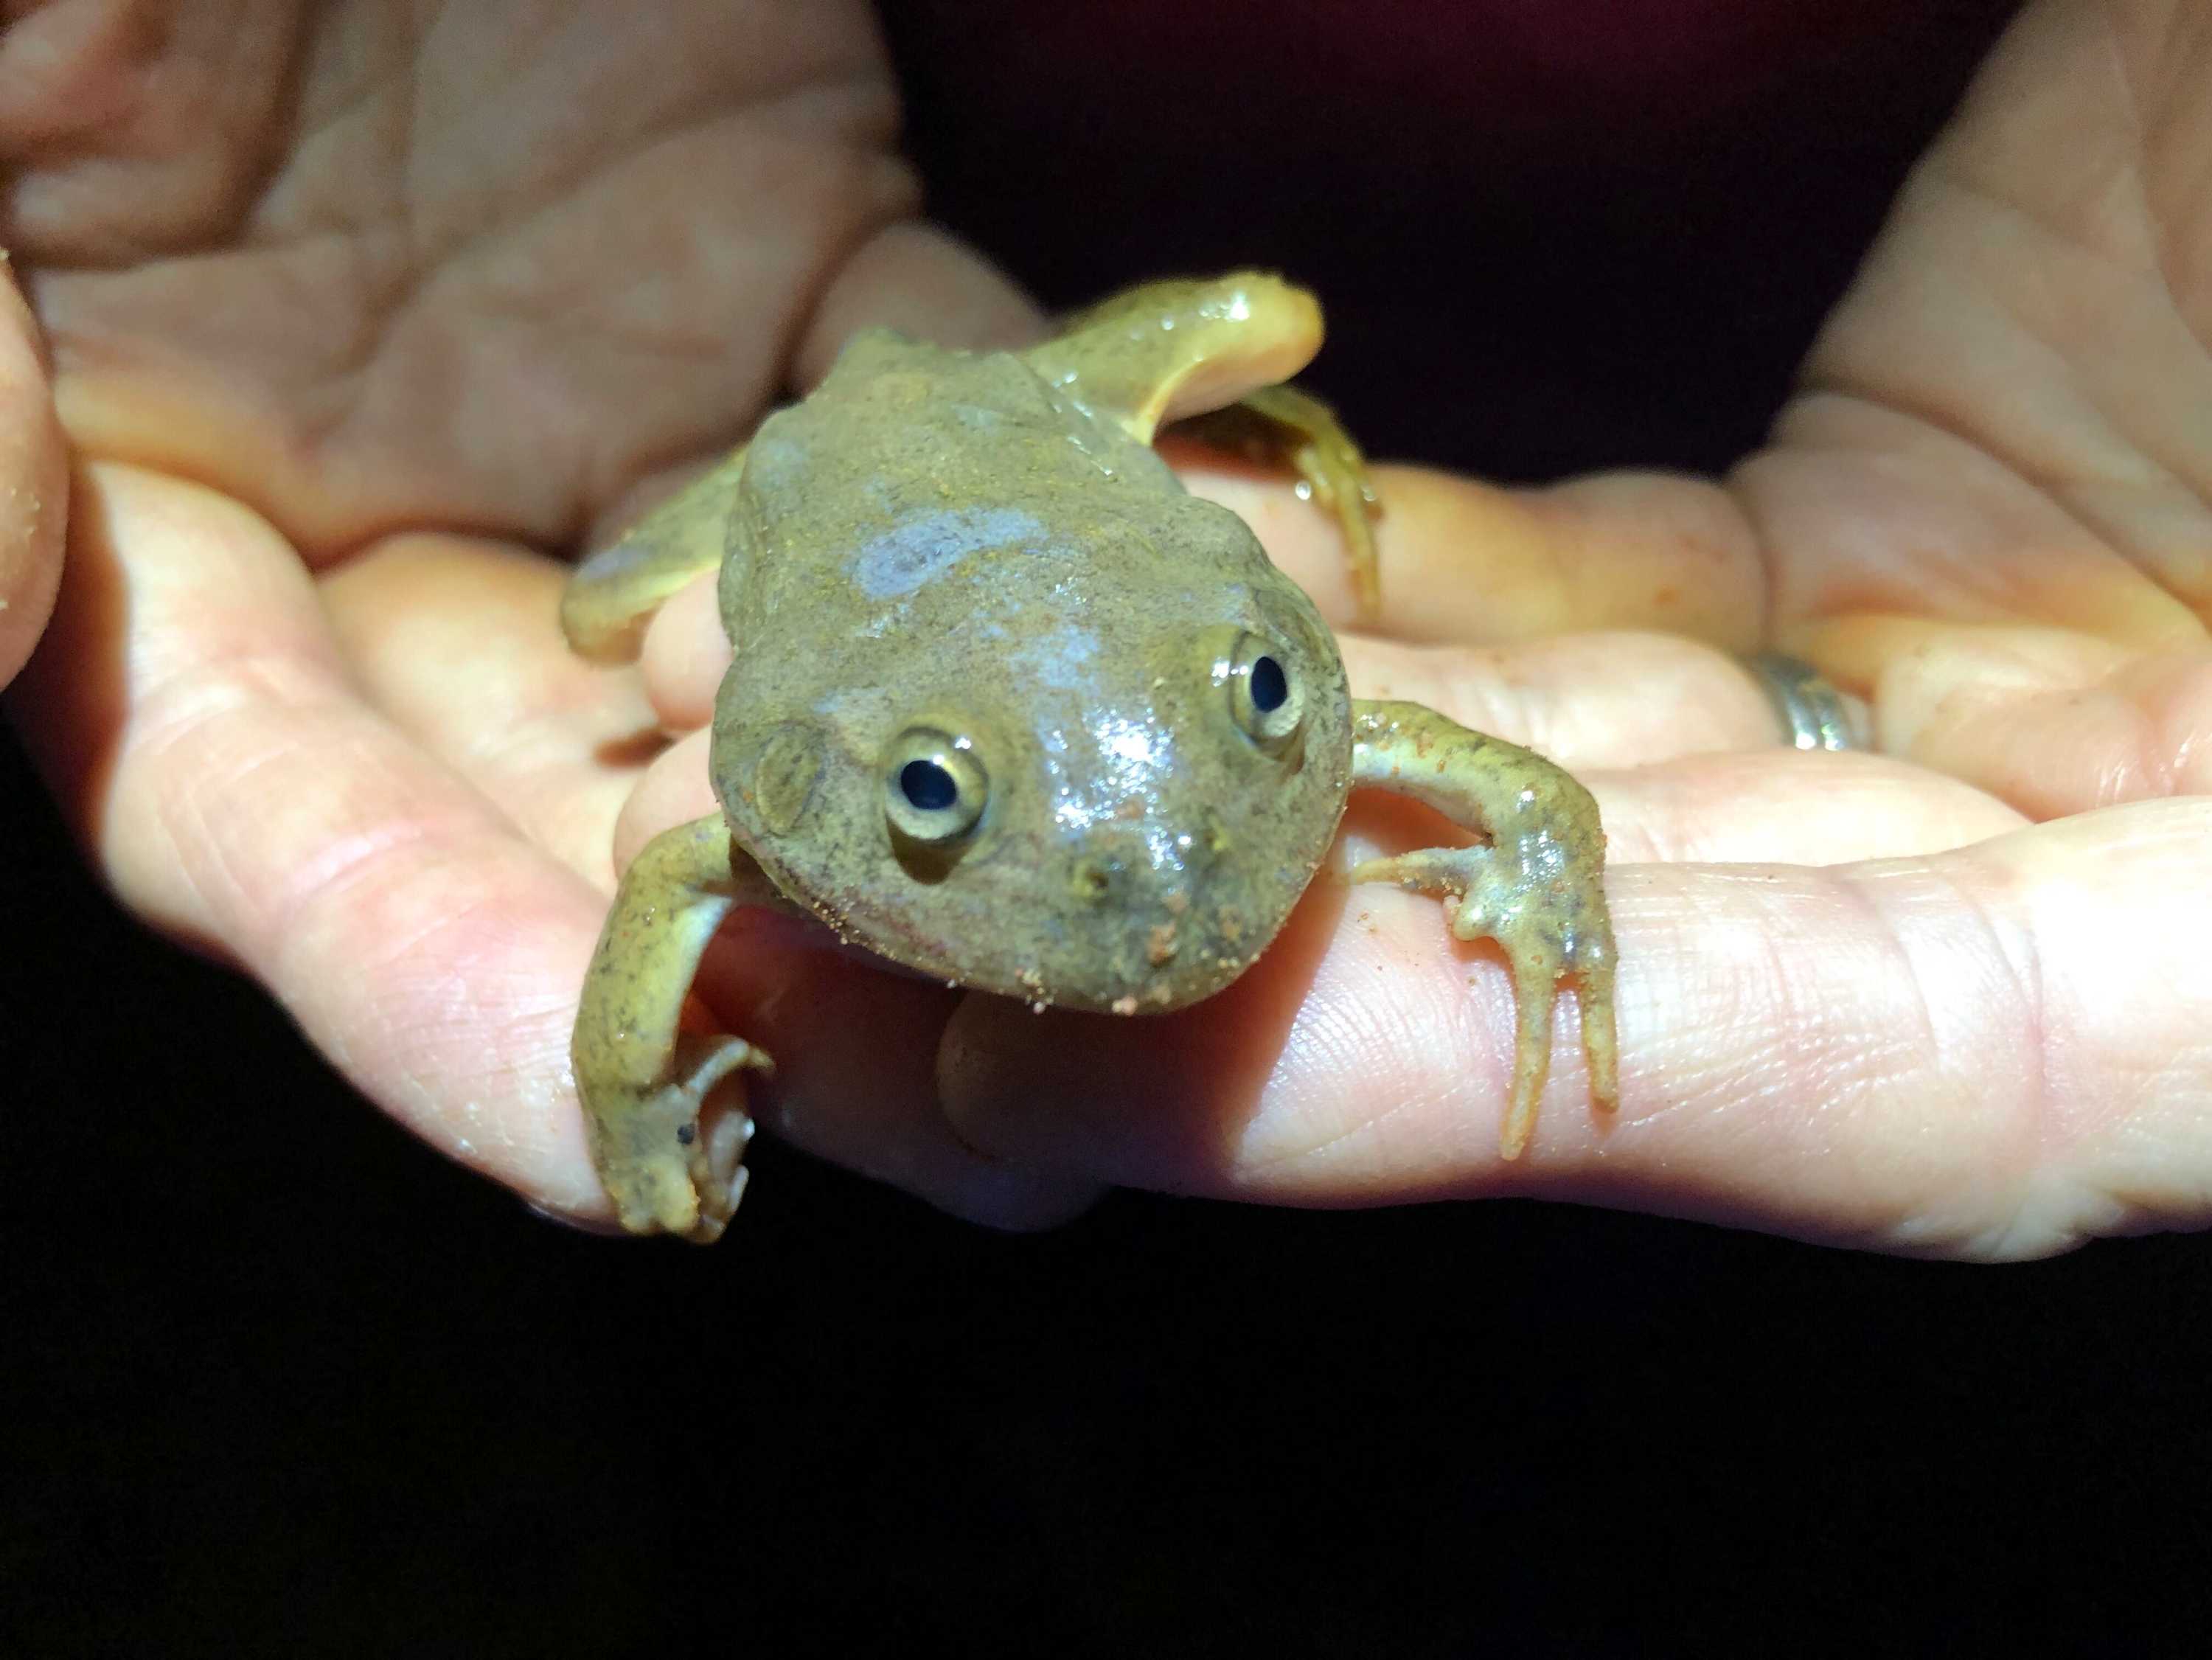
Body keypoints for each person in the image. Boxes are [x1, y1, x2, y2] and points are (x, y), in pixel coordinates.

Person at [1, 0, 2202, 1257]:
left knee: (1266, 326)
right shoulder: (752, 825)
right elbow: (673, 867)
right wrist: (633, 1096)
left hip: (1055, 399)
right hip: (808, 412)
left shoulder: (1293, 740)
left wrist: (1552, 893)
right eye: (938, 806)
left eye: (1264, 699)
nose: (1171, 874)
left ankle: (1260, 491)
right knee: (596, 625)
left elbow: (1522, 791)